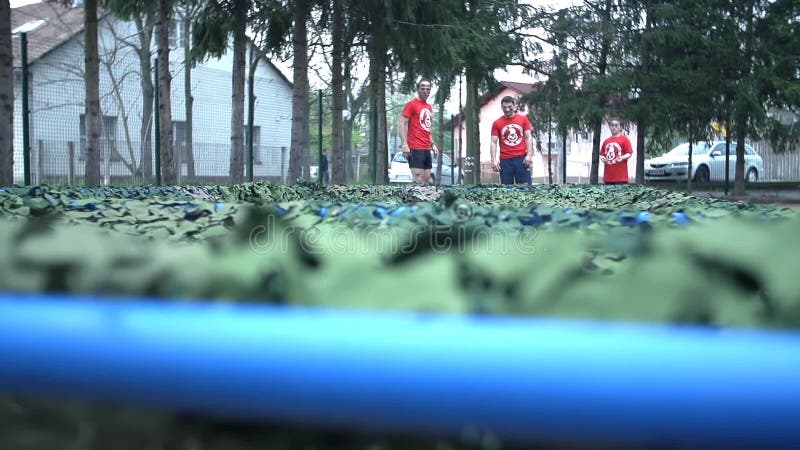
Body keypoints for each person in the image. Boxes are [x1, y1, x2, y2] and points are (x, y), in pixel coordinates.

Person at [399, 78, 438, 183]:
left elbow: (427, 128)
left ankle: (423, 199)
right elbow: (402, 123)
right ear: (418, 89)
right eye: (422, 88)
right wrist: (404, 144)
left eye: (427, 89)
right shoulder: (411, 104)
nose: (425, 91)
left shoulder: (429, 107)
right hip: (415, 146)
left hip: (426, 147)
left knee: (426, 177)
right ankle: (415, 199)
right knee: (418, 177)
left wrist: (432, 144)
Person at [490, 96, 535, 185]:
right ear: (501, 107)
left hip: (521, 159)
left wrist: (529, 155)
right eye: (504, 107)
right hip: (505, 161)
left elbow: (528, 137)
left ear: (514, 106)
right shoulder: (497, 123)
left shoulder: (523, 119)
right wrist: (493, 160)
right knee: (506, 190)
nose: (507, 109)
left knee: (525, 189)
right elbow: (493, 142)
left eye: (509, 107)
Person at [599, 118, 633, 184]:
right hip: (608, 178)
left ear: (620, 127)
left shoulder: (625, 140)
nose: (613, 127)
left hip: (621, 178)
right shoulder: (606, 141)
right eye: (612, 125)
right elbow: (602, 154)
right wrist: (602, 158)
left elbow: (629, 153)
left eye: (616, 125)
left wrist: (622, 158)